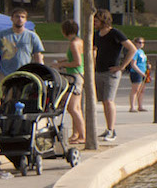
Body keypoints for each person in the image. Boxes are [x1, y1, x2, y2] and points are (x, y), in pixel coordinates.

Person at [90, 10, 135, 141]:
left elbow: (132, 49)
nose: (94, 23)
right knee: (103, 101)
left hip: (111, 73)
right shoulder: (96, 34)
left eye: (96, 20)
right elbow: (93, 50)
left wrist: (122, 66)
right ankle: (107, 128)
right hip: (99, 71)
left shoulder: (115, 33)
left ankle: (112, 130)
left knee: (109, 100)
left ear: (104, 20)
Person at [55, 21, 87, 144]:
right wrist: (64, 60)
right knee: (77, 107)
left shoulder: (73, 44)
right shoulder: (79, 41)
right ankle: (77, 134)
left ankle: (82, 136)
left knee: (72, 108)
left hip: (75, 76)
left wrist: (61, 64)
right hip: (79, 75)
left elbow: (77, 62)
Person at [0, 8, 45, 81]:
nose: (20, 19)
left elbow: (38, 55)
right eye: (17, 16)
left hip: (25, 73)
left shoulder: (32, 36)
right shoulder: (1, 35)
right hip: (5, 73)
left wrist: (40, 73)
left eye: (22, 17)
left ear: (26, 20)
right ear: (12, 19)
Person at [127, 44, 149, 112]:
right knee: (135, 90)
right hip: (136, 72)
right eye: (139, 42)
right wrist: (140, 72)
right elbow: (133, 64)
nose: (141, 44)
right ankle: (132, 107)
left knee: (142, 90)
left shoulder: (141, 51)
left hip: (143, 71)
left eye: (142, 42)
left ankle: (140, 106)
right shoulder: (135, 51)